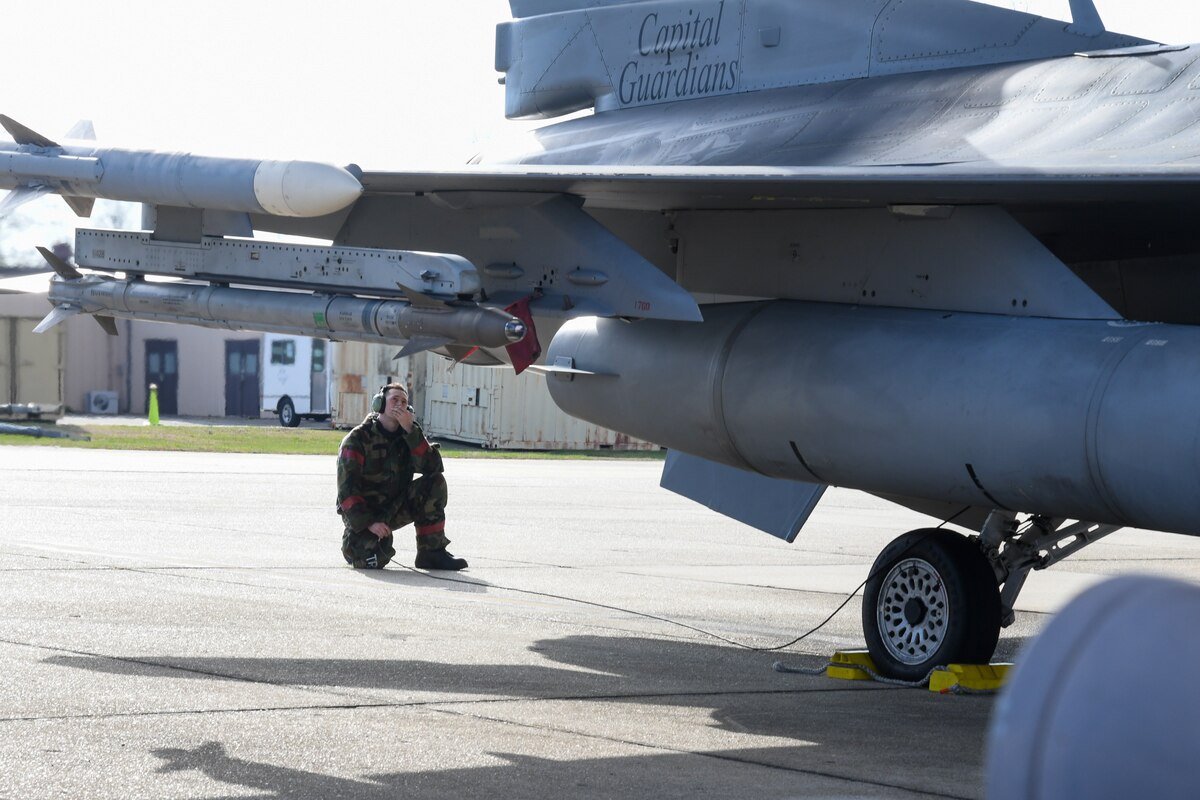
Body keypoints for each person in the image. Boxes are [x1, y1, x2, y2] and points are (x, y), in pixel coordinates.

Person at [336, 383, 468, 571]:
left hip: (395, 506)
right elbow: (346, 491)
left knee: (434, 483)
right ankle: (358, 542)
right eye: (394, 400)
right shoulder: (357, 439)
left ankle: (431, 552)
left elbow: (433, 467)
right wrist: (370, 522)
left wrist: (411, 431)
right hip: (366, 514)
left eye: (404, 402)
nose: (399, 405)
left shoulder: (408, 435)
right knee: (372, 560)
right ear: (379, 404)